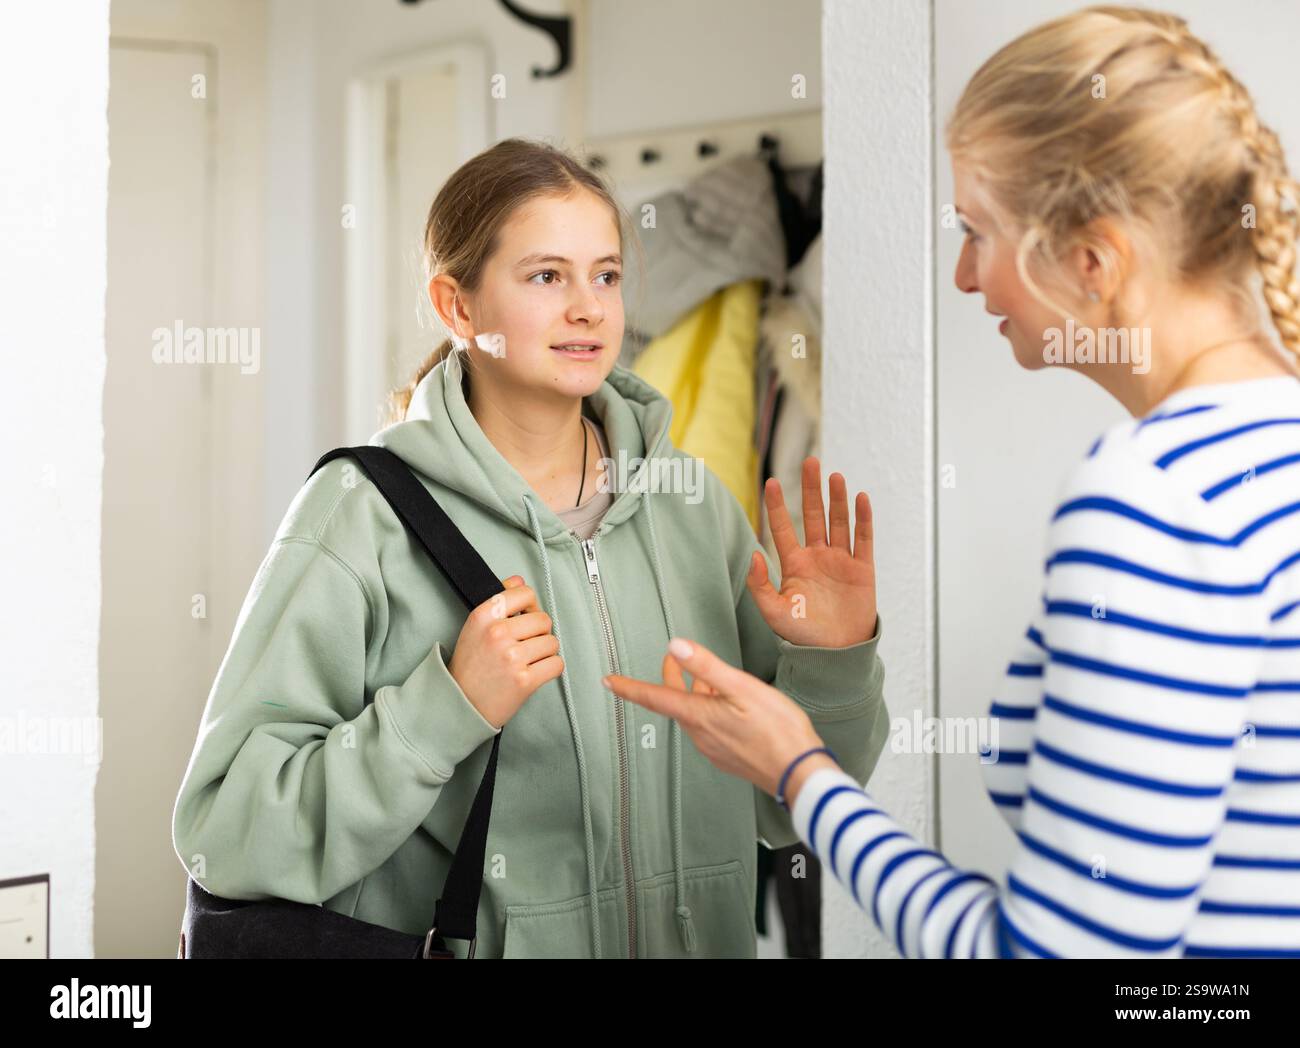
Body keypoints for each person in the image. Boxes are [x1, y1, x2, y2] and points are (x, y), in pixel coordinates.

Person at [605, 5, 1300, 958]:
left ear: (1092, 260)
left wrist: (799, 772)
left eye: (978, 231)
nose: (967, 276)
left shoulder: (1153, 499)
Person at [171, 137, 890, 958]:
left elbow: (788, 804)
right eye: (548, 276)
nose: (589, 308)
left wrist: (831, 665)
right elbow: (224, 836)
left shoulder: (691, 506)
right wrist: (444, 710)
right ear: (459, 306)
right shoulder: (359, 516)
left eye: (607, 275)